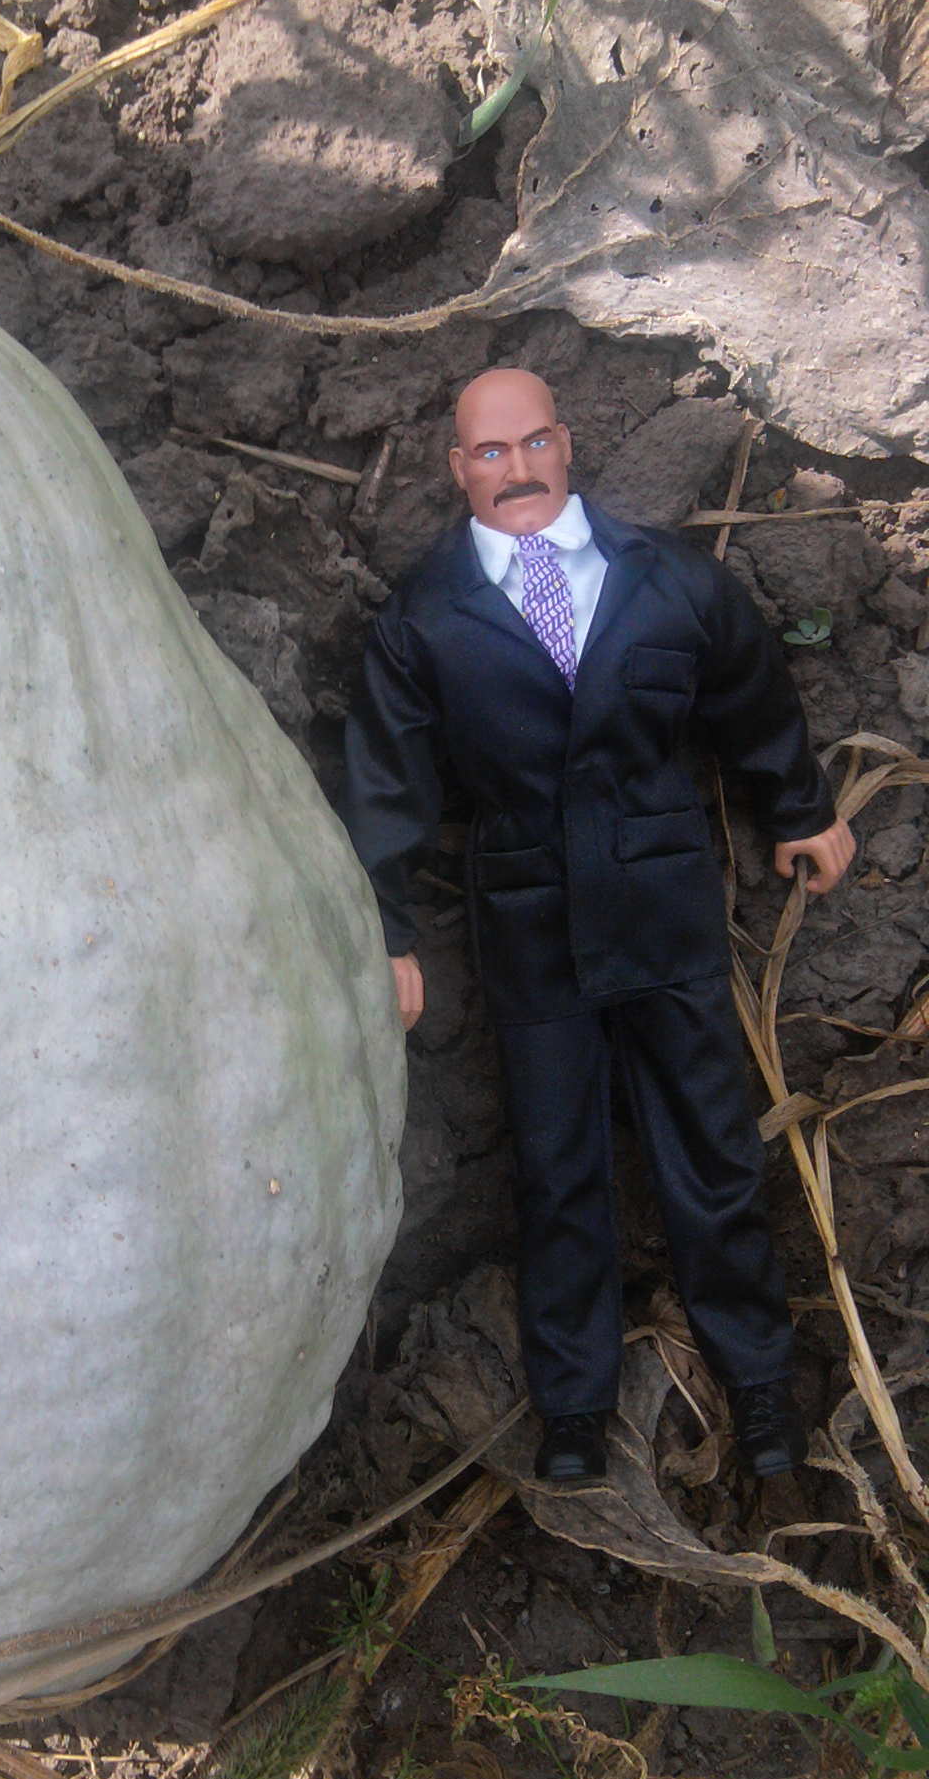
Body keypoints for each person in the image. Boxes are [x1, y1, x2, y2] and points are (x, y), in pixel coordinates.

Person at [340, 368, 854, 1484]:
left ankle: (758, 1378)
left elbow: (751, 690)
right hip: (528, 920)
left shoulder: (664, 581)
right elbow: (385, 781)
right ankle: (572, 1401)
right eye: (488, 451)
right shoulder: (428, 618)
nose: (514, 469)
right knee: (557, 1158)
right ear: (456, 466)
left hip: (664, 901)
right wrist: (383, 927)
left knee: (712, 1146)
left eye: (531, 444)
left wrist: (800, 804)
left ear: (566, 446)